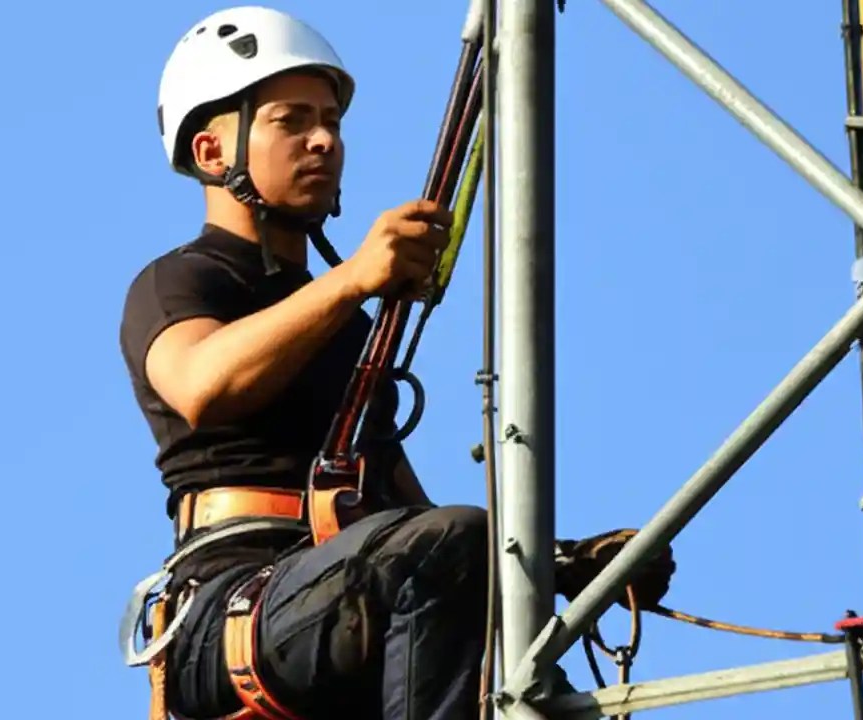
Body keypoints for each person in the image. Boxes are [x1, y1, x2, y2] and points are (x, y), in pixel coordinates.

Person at [118, 7, 677, 719]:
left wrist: (555, 562)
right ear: (210, 151)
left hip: (341, 595)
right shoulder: (181, 282)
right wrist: (354, 278)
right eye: (292, 121)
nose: (324, 140)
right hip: (228, 608)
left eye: (331, 122)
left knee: (531, 678)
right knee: (450, 545)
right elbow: (202, 384)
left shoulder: (346, 325)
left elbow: (405, 510)